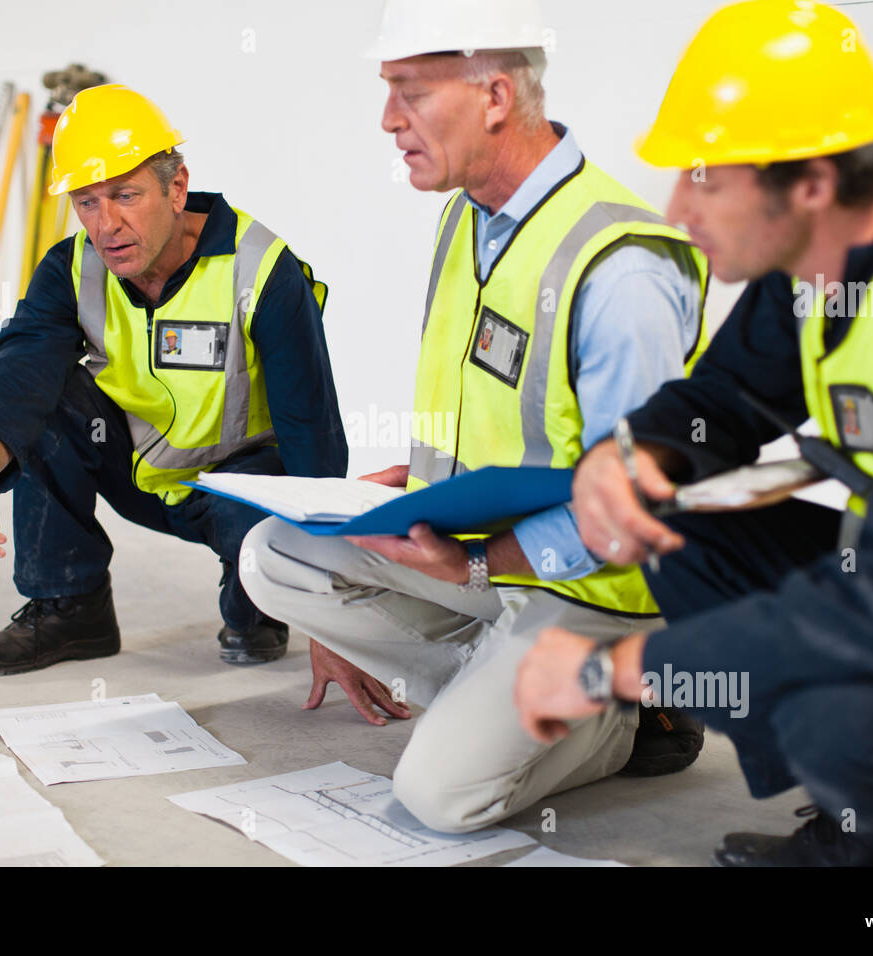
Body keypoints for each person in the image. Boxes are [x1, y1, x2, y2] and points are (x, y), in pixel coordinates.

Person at [514, 0, 873, 865]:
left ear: (810, 181)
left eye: (707, 179)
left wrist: (616, 668)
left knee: (835, 711)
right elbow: (724, 397)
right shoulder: (823, 267)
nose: (677, 206)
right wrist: (635, 453)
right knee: (681, 525)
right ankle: (855, 824)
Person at [240, 0, 709, 833]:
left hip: (596, 589)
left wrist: (484, 563)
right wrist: (421, 490)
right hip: (484, 561)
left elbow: (637, 507)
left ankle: (615, 717)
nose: (388, 121)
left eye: (411, 93)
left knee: (439, 799)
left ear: (495, 96)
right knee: (275, 555)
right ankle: (500, 696)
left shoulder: (620, 266)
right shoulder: (465, 217)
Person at [0, 84, 347, 673]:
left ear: (176, 189)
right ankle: (70, 608)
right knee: (47, 399)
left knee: (260, 583)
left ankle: (260, 605)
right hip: (136, 472)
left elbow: (313, 438)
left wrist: (326, 609)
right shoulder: (72, 269)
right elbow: (17, 375)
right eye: (88, 202)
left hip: (238, 487)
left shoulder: (261, 270)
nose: (107, 225)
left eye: (126, 195)